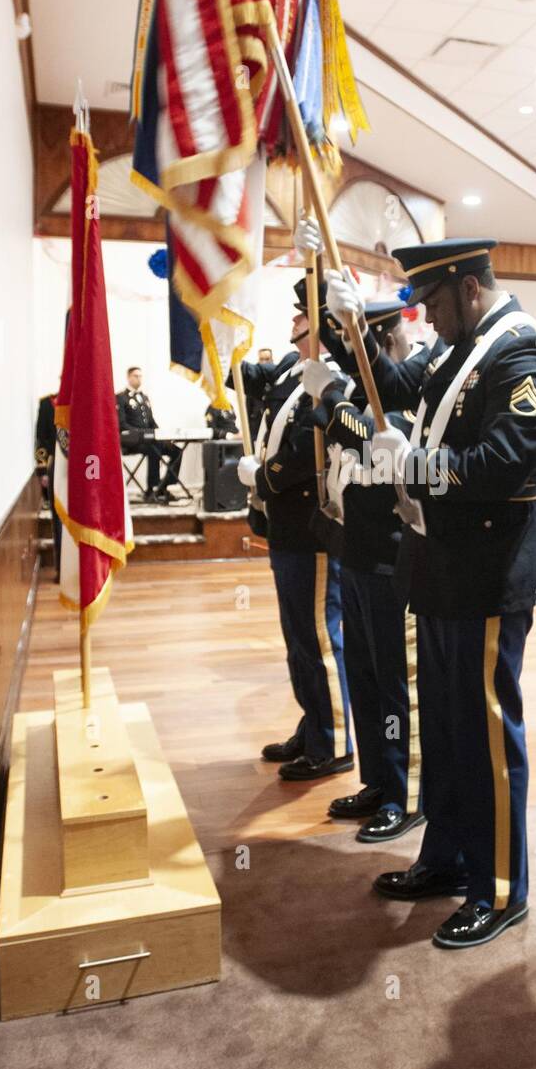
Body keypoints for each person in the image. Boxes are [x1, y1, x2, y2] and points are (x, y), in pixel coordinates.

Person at [323, 238, 536, 948]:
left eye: (431, 301)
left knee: (487, 738)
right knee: (447, 731)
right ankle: (448, 858)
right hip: (437, 567)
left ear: (466, 287)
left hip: (487, 572)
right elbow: (393, 389)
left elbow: (503, 463)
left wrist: (420, 465)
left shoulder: (521, 351)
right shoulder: (459, 345)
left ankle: (498, 889)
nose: (425, 317)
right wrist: (351, 335)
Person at [302, 291, 425, 843]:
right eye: (355, 342)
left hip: (391, 562)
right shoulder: (357, 390)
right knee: (366, 680)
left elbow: (374, 438)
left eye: (372, 339)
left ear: (395, 337)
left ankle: (407, 794)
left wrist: (328, 395)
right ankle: (377, 779)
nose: (364, 351)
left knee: (400, 687)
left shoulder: (410, 391)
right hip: (354, 555)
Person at [230, 279, 353, 781]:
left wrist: (262, 475)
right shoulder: (291, 368)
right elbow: (245, 377)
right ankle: (313, 723)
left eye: (302, 318)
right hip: (283, 527)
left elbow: (308, 449)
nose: (293, 323)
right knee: (296, 636)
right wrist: (216, 332)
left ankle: (334, 741)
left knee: (318, 636)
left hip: (310, 529)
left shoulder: (333, 378)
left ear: (322, 326)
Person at [116, 367, 182, 503]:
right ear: (128, 377)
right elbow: (122, 424)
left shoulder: (144, 397)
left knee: (176, 450)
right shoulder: (121, 397)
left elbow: (151, 421)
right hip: (133, 441)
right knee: (154, 448)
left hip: (150, 439)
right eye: (135, 376)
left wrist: (162, 435)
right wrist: (143, 434)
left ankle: (164, 486)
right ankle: (152, 489)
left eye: (140, 376)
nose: (139, 379)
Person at [35, 391, 61, 580]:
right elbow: (41, 438)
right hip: (55, 466)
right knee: (59, 521)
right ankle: (61, 568)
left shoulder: (88, 404)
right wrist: (43, 470)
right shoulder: (47, 404)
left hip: (83, 471)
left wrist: (94, 474)